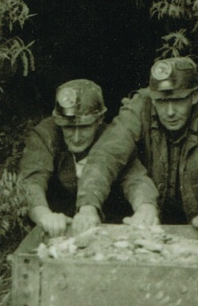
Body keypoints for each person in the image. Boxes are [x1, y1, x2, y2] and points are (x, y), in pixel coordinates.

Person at [72, 57, 198, 240]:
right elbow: (107, 153)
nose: (170, 111)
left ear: (195, 96)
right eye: (162, 101)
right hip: (145, 220)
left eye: (178, 100)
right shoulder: (140, 106)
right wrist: (88, 206)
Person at [18, 79, 159, 237]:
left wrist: (145, 207)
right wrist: (44, 215)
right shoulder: (45, 135)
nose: (76, 137)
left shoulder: (113, 137)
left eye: (84, 127)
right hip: (58, 225)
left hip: (103, 225)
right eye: (69, 127)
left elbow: (134, 178)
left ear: (99, 120)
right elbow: (31, 181)